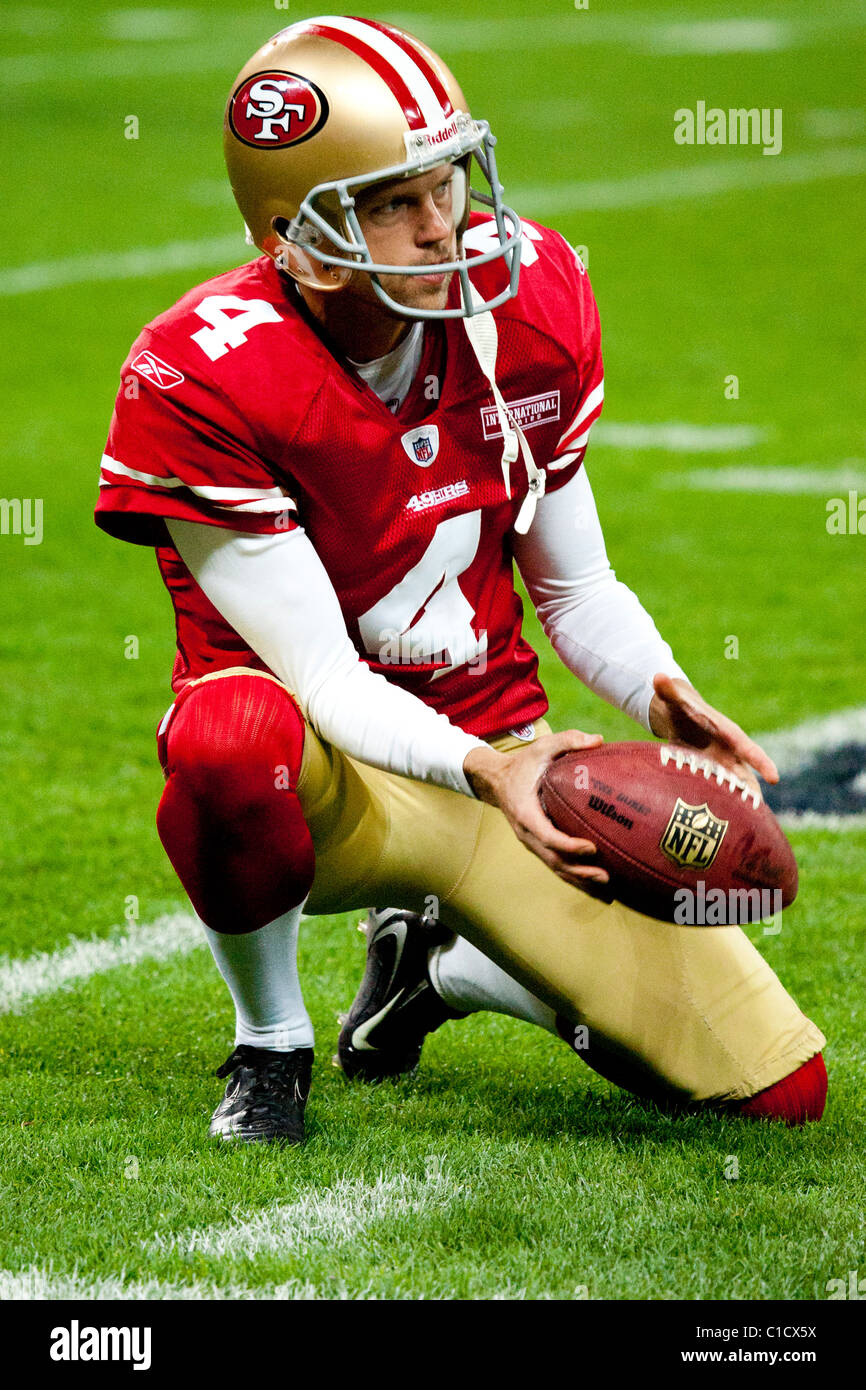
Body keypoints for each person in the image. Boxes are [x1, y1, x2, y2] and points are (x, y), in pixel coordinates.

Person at [96, 15, 826, 1144]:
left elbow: (576, 593)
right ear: (298, 238)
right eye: (393, 203)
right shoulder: (205, 371)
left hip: (506, 764)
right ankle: (271, 1038)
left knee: (778, 1094)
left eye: (443, 181)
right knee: (224, 738)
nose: (443, 225)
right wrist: (485, 769)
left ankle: (436, 963)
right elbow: (327, 680)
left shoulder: (528, 303)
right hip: (330, 778)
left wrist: (655, 690)